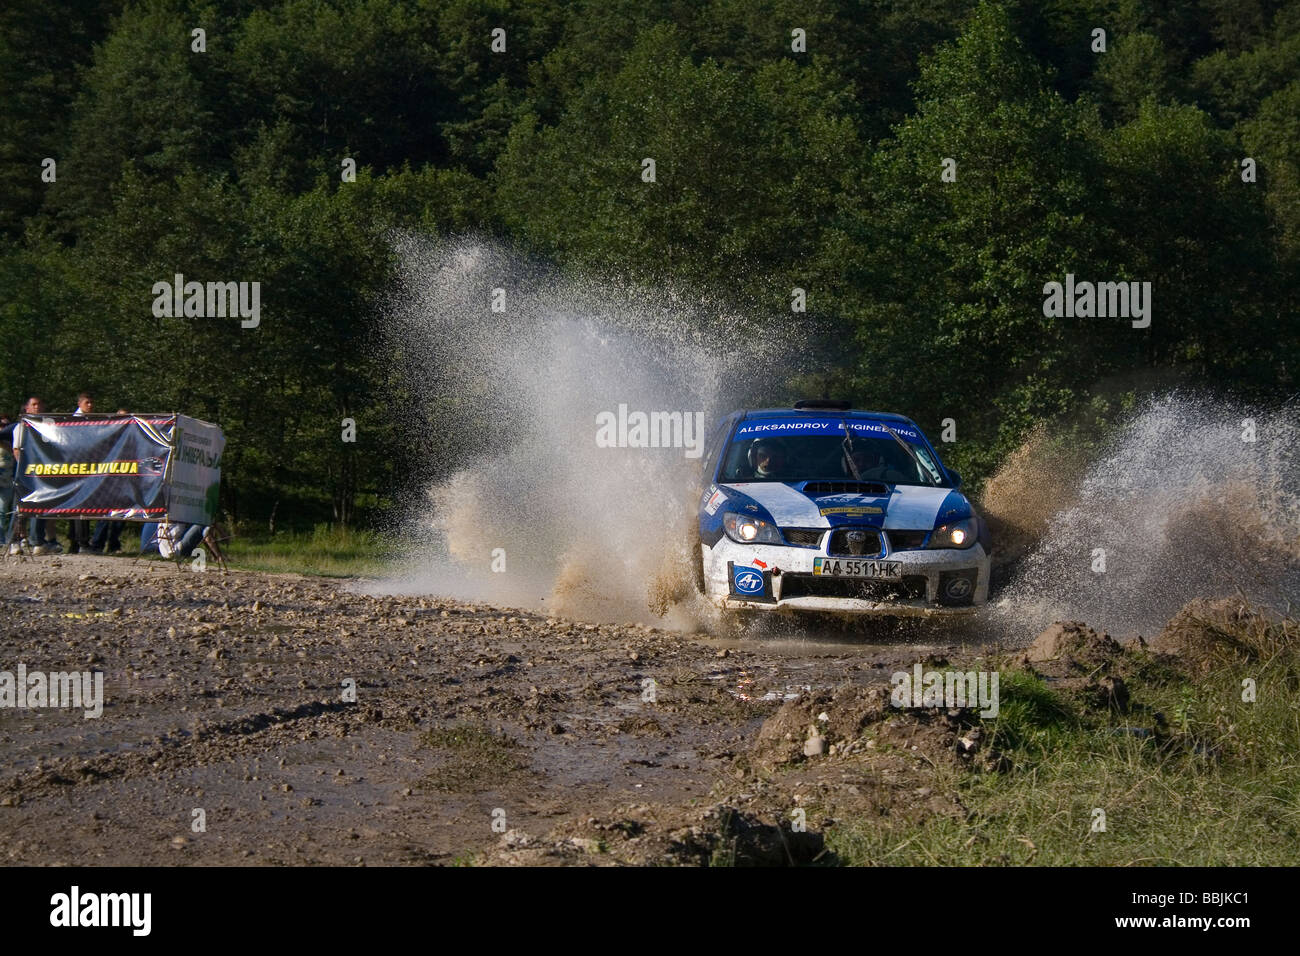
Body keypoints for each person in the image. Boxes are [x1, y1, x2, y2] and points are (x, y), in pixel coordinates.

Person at [11, 397, 62, 555]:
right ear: (27, 408)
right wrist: (27, 469)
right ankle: (14, 541)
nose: (37, 407)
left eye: (40, 404)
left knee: (39, 507)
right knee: (20, 509)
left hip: (44, 474)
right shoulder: (21, 427)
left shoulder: (48, 426)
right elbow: (17, 450)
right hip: (26, 474)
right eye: (34, 405)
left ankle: (37, 541)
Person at [67, 391, 96, 553]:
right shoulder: (75, 421)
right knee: (80, 504)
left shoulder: (90, 420)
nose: (90, 406)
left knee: (78, 504)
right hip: (77, 467)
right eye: (87, 402)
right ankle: (82, 542)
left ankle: (75, 541)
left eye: (92, 402)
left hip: (86, 467)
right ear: (79, 404)